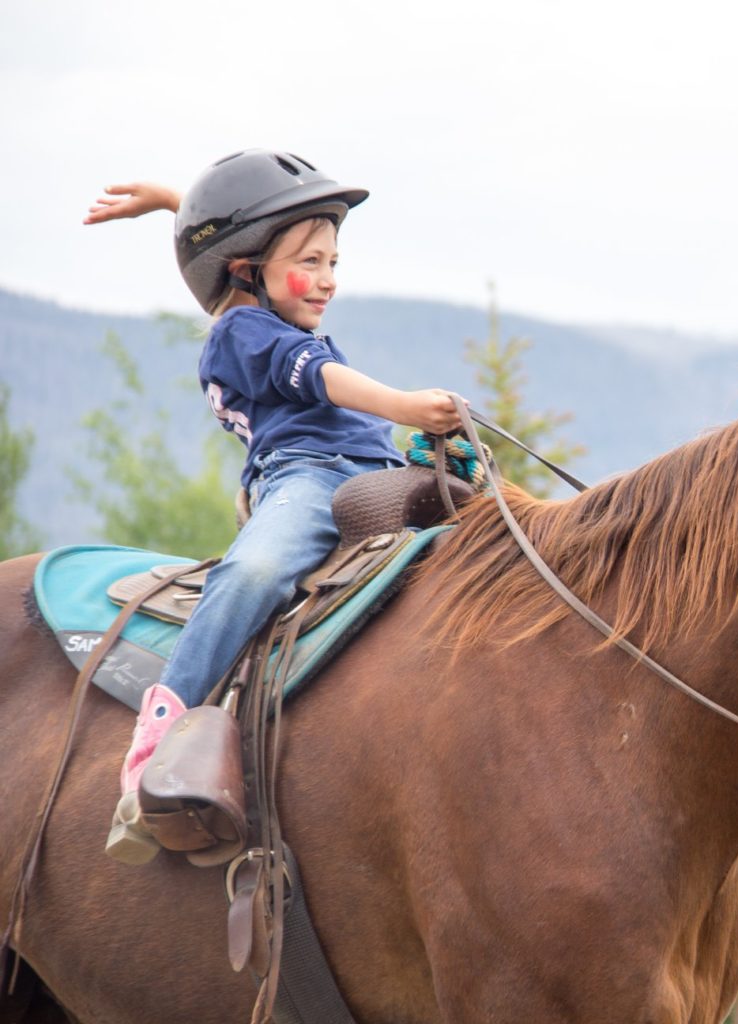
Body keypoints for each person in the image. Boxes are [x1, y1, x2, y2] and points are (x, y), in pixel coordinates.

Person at [86, 149, 465, 864]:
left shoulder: (273, 314)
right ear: (245, 270)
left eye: (334, 262)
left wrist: (175, 202)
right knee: (255, 572)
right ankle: (161, 734)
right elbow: (324, 380)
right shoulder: (246, 334)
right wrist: (405, 405)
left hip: (378, 474)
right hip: (311, 480)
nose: (328, 279)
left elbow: (235, 237)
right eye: (310, 262)